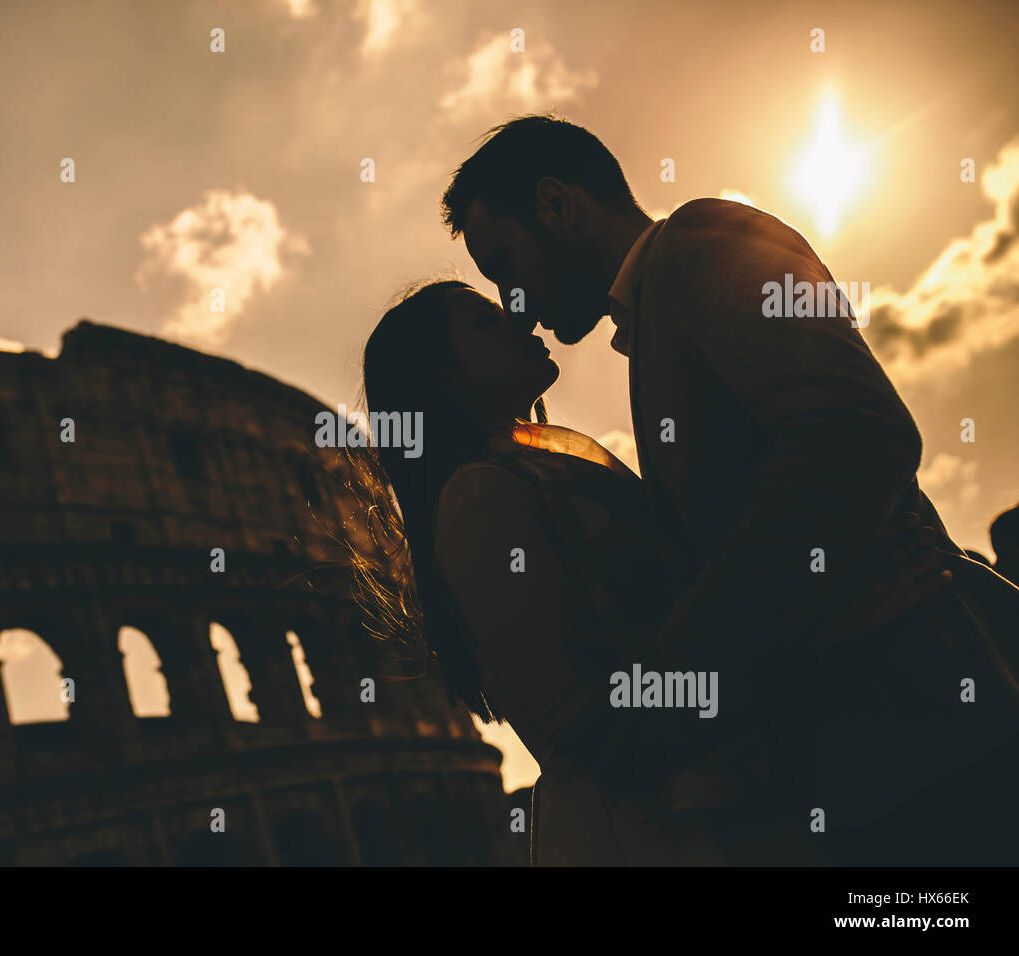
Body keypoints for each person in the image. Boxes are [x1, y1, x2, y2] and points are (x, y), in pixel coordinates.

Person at [434, 113, 1019, 864]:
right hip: (876, 721)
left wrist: (678, 668)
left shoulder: (701, 243)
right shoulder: (659, 305)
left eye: (507, 265)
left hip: (909, 706)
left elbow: (855, 435)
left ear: (557, 204)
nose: (516, 302)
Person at [356, 279, 951, 865]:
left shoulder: (522, 472)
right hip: (660, 829)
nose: (524, 319)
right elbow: (580, 721)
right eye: (488, 321)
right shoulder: (480, 495)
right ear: (446, 378)